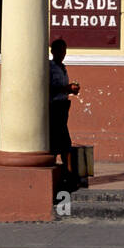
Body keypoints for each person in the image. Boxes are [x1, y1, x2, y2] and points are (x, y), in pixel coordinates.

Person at [49, 39, 80, 181]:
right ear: (53, 51)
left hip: (62, 107)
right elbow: (48, 88)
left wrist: (72, 90)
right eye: (59, 50)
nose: (62, 54)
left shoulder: (63, 67)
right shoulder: (50, 68)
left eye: (64, 51)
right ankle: (64, 173)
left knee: (62, 142)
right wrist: (67, 88)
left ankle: (67, 173)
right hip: (53, 108)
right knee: (61, 142)